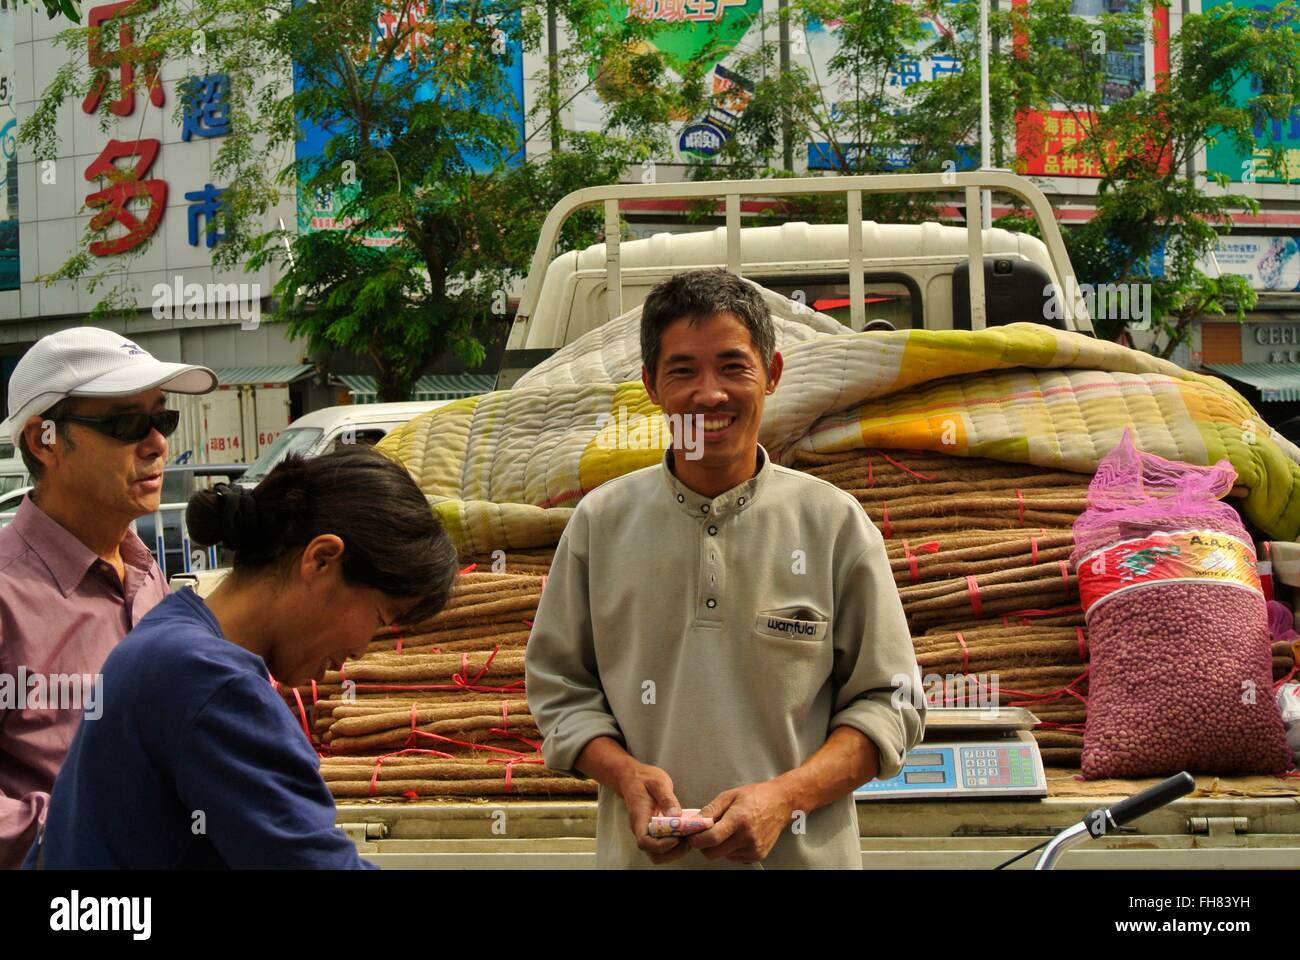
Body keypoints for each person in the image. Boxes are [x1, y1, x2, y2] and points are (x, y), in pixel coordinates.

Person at [525, 268, 926, 869]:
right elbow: (560, 691)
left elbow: (890, 705)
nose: (709, 394)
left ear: (773, 374)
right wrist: (626, 776)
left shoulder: (834, 524)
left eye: (733, 366)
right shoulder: (599, 525)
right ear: (651, 387)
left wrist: (784, 799)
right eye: (682, 370)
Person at [26, 447, 459, 868]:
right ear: (322, 560)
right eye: (381, 618)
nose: (361, 651)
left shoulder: (167, 635)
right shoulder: (212, 681)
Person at [0, 327, 217, 868]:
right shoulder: (7, 595)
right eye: (125, 424)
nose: (157, 443)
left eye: (162, 419)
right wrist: (80, 832)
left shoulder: (149, 578)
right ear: (42, 440)